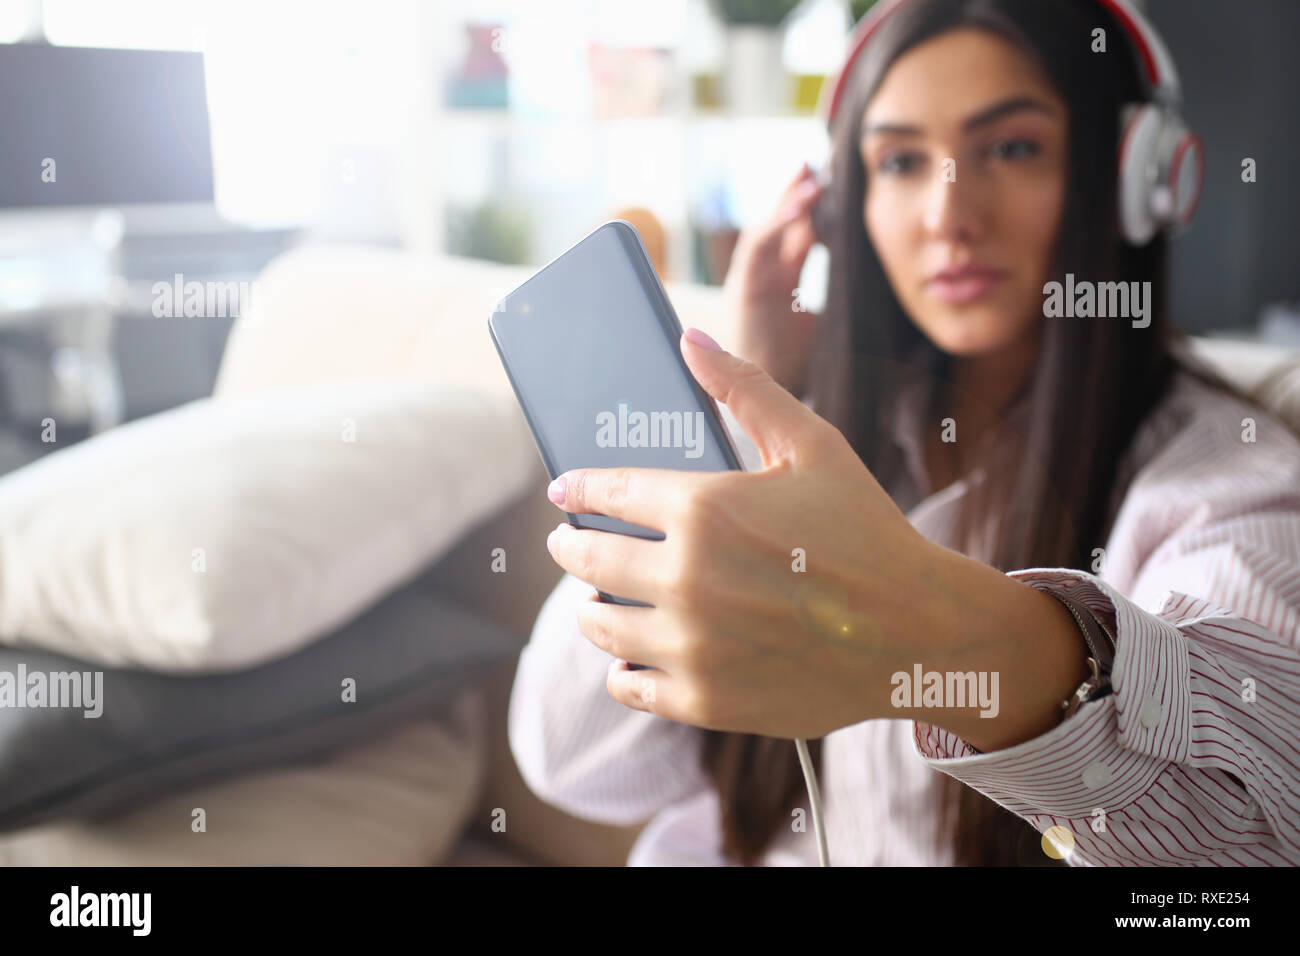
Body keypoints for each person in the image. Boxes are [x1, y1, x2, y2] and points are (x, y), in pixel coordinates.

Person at [507, 0, 1300, 865]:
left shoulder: (1225, 489)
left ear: (1137, 176)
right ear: (843, 208)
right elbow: (575, 761)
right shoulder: (818, 437)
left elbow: (1251, 831)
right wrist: (729, 421)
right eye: (900, 161)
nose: (946, 216)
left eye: (1012, 148)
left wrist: (945, 640)